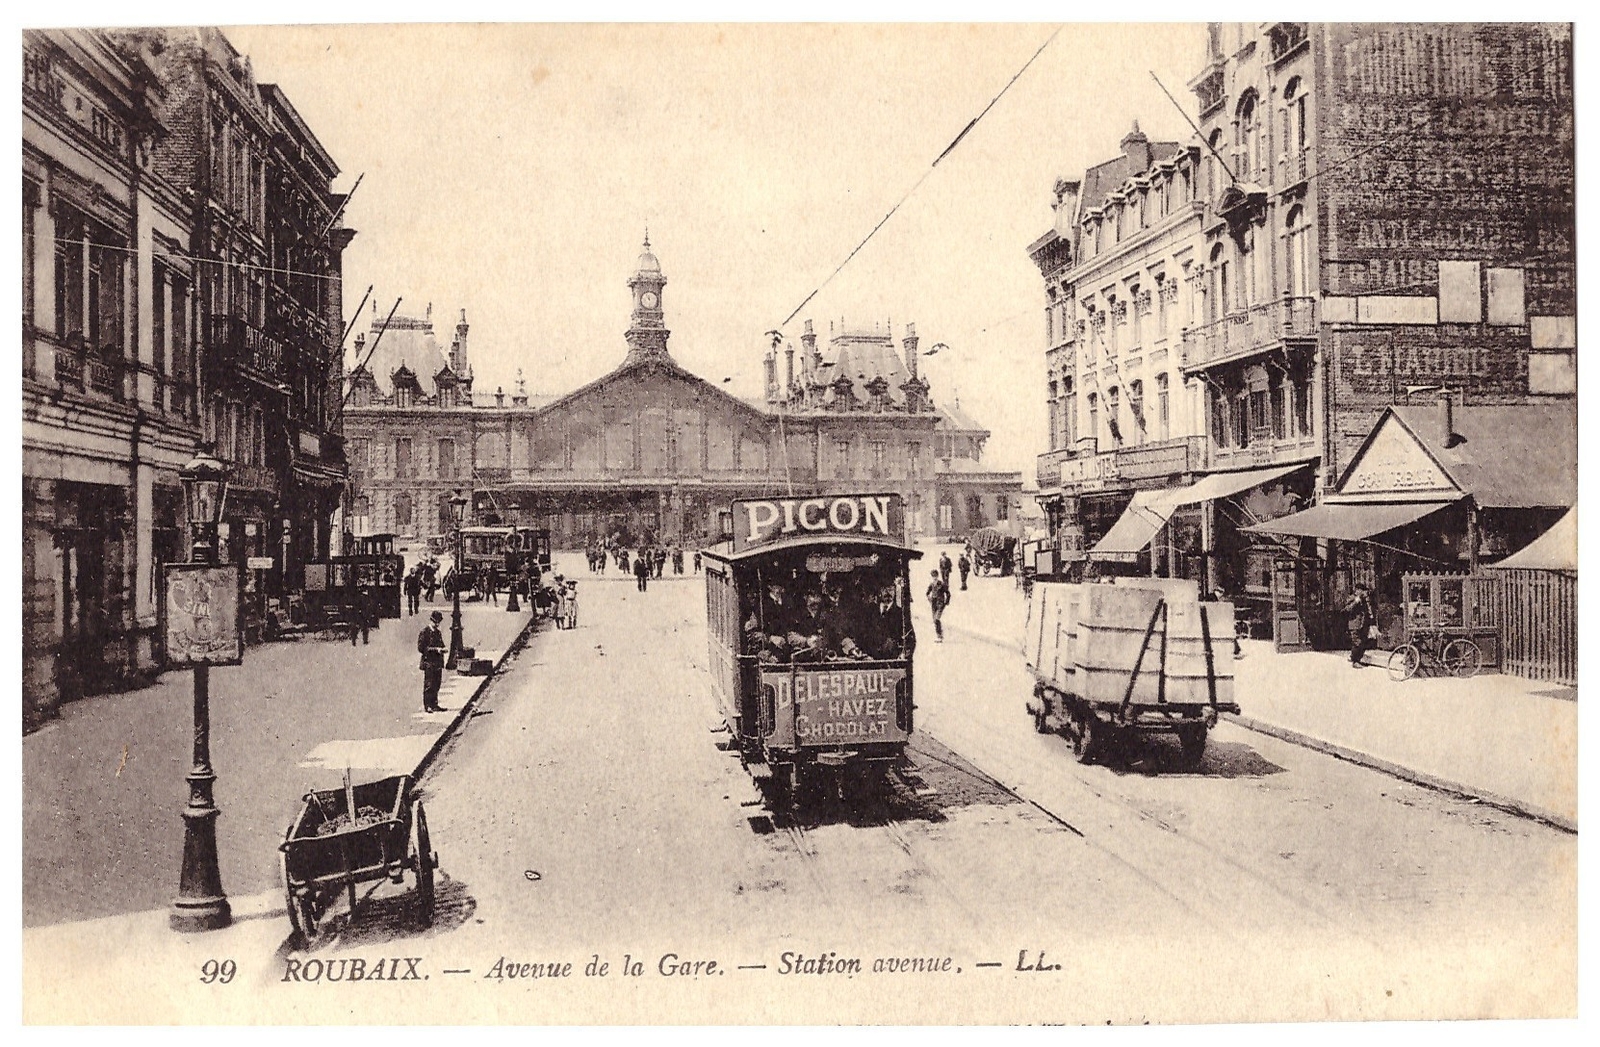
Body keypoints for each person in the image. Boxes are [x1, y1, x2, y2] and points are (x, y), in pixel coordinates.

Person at [417, 610, 447, 712]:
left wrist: (442, 649)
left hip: (437, 661)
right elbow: (421, 648)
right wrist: (435, 649)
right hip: (429, 661)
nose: (437, 624)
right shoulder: (424, 632)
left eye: (438, 622)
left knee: (436, 684)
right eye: (435, 622)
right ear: (431, 621)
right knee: (429, 684)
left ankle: (434, 704)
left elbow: (441, 644)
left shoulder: (438, 633)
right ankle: (428, 705)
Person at [1343, 584, 1376, 668]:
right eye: (1361, 590)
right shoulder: (1351, 598)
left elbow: (1368, 610)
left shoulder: (1364, 599)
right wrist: (1355, 602)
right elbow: (1346, 609)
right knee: (1357, 642)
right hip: (1354, 624)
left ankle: (1355, 658)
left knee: (1363, 642)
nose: (1363, 592)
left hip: (1362, 625)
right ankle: (1355, 661)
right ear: (1357, 590)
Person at [926, 569, 951, 643]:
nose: (934, 578)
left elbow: (948, 593)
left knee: (937, 619)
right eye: (933, 576)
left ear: (938, 576)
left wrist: (946, 602)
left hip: (940, 603)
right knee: (934, 619)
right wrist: (929, 599)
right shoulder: (931, 584)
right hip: (933, 603)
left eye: (935, 576)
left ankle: (939, 636)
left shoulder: (942, 584)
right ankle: (939, 633)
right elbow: (927, 593)